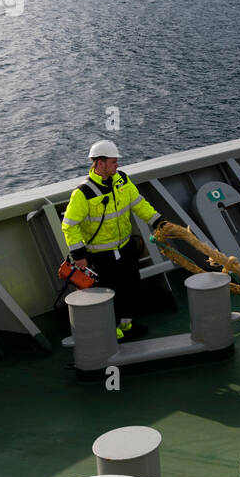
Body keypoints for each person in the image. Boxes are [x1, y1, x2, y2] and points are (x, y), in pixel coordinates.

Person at [62, 140, 164, 339]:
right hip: (101, 256)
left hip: (125, 248)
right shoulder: (83, 194)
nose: (117, 165)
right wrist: (78, 255)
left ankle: (127, 326)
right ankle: (113, 333)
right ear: (100, 164)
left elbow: (138, 204)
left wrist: (158, 221)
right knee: (110, 293)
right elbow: (69, 225)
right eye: (113, 162)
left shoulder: (122, 181)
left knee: (130, 287)